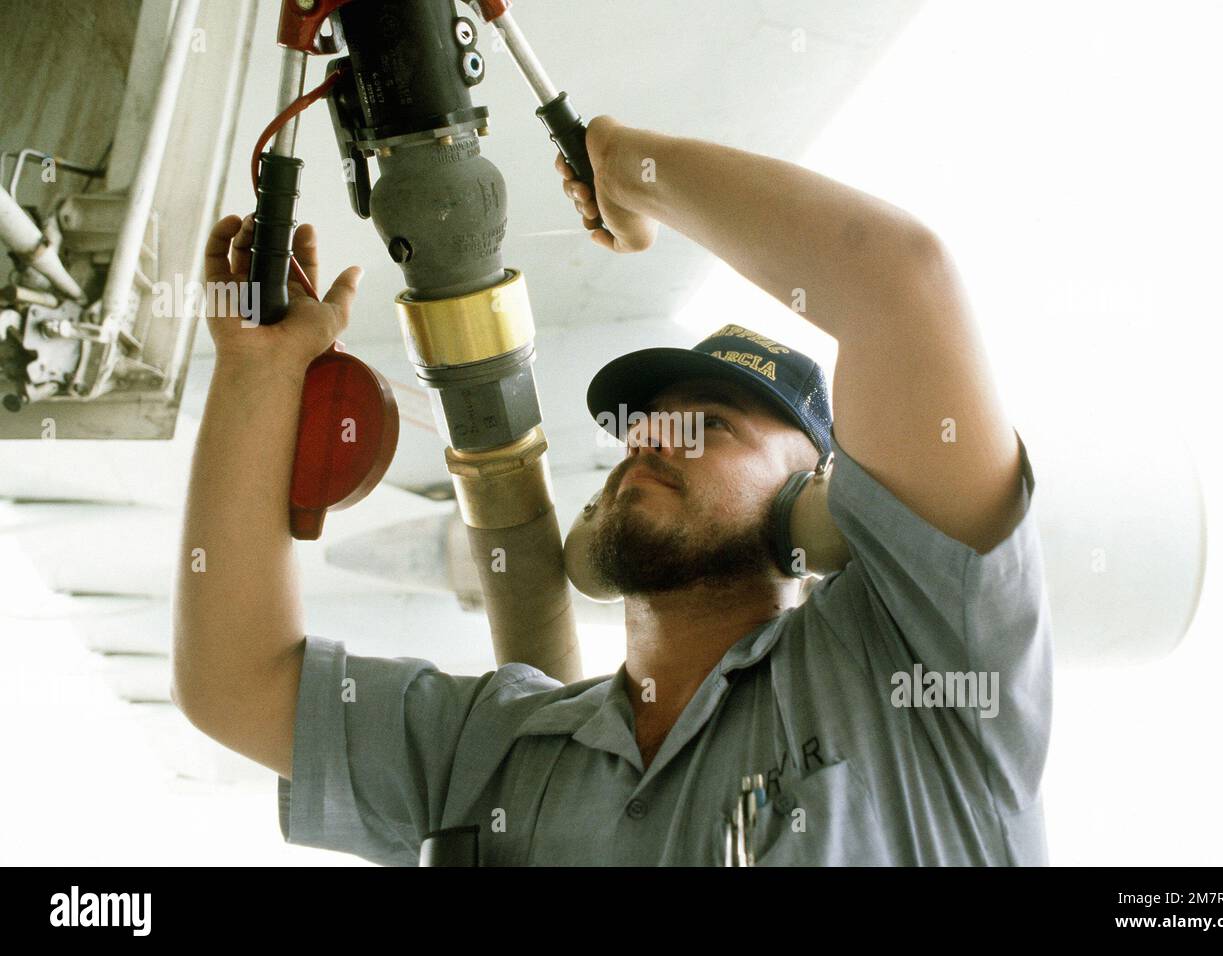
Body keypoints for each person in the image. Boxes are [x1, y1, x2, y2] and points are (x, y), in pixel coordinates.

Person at [174, 115, 1051, 866]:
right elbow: (233, 681)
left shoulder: (918, 673)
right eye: (643, 426)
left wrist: (627, 168)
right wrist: (259, 369)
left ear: (817, 493)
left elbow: (901, 282)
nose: (649, 444)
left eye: (708, 427)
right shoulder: (497, 746)